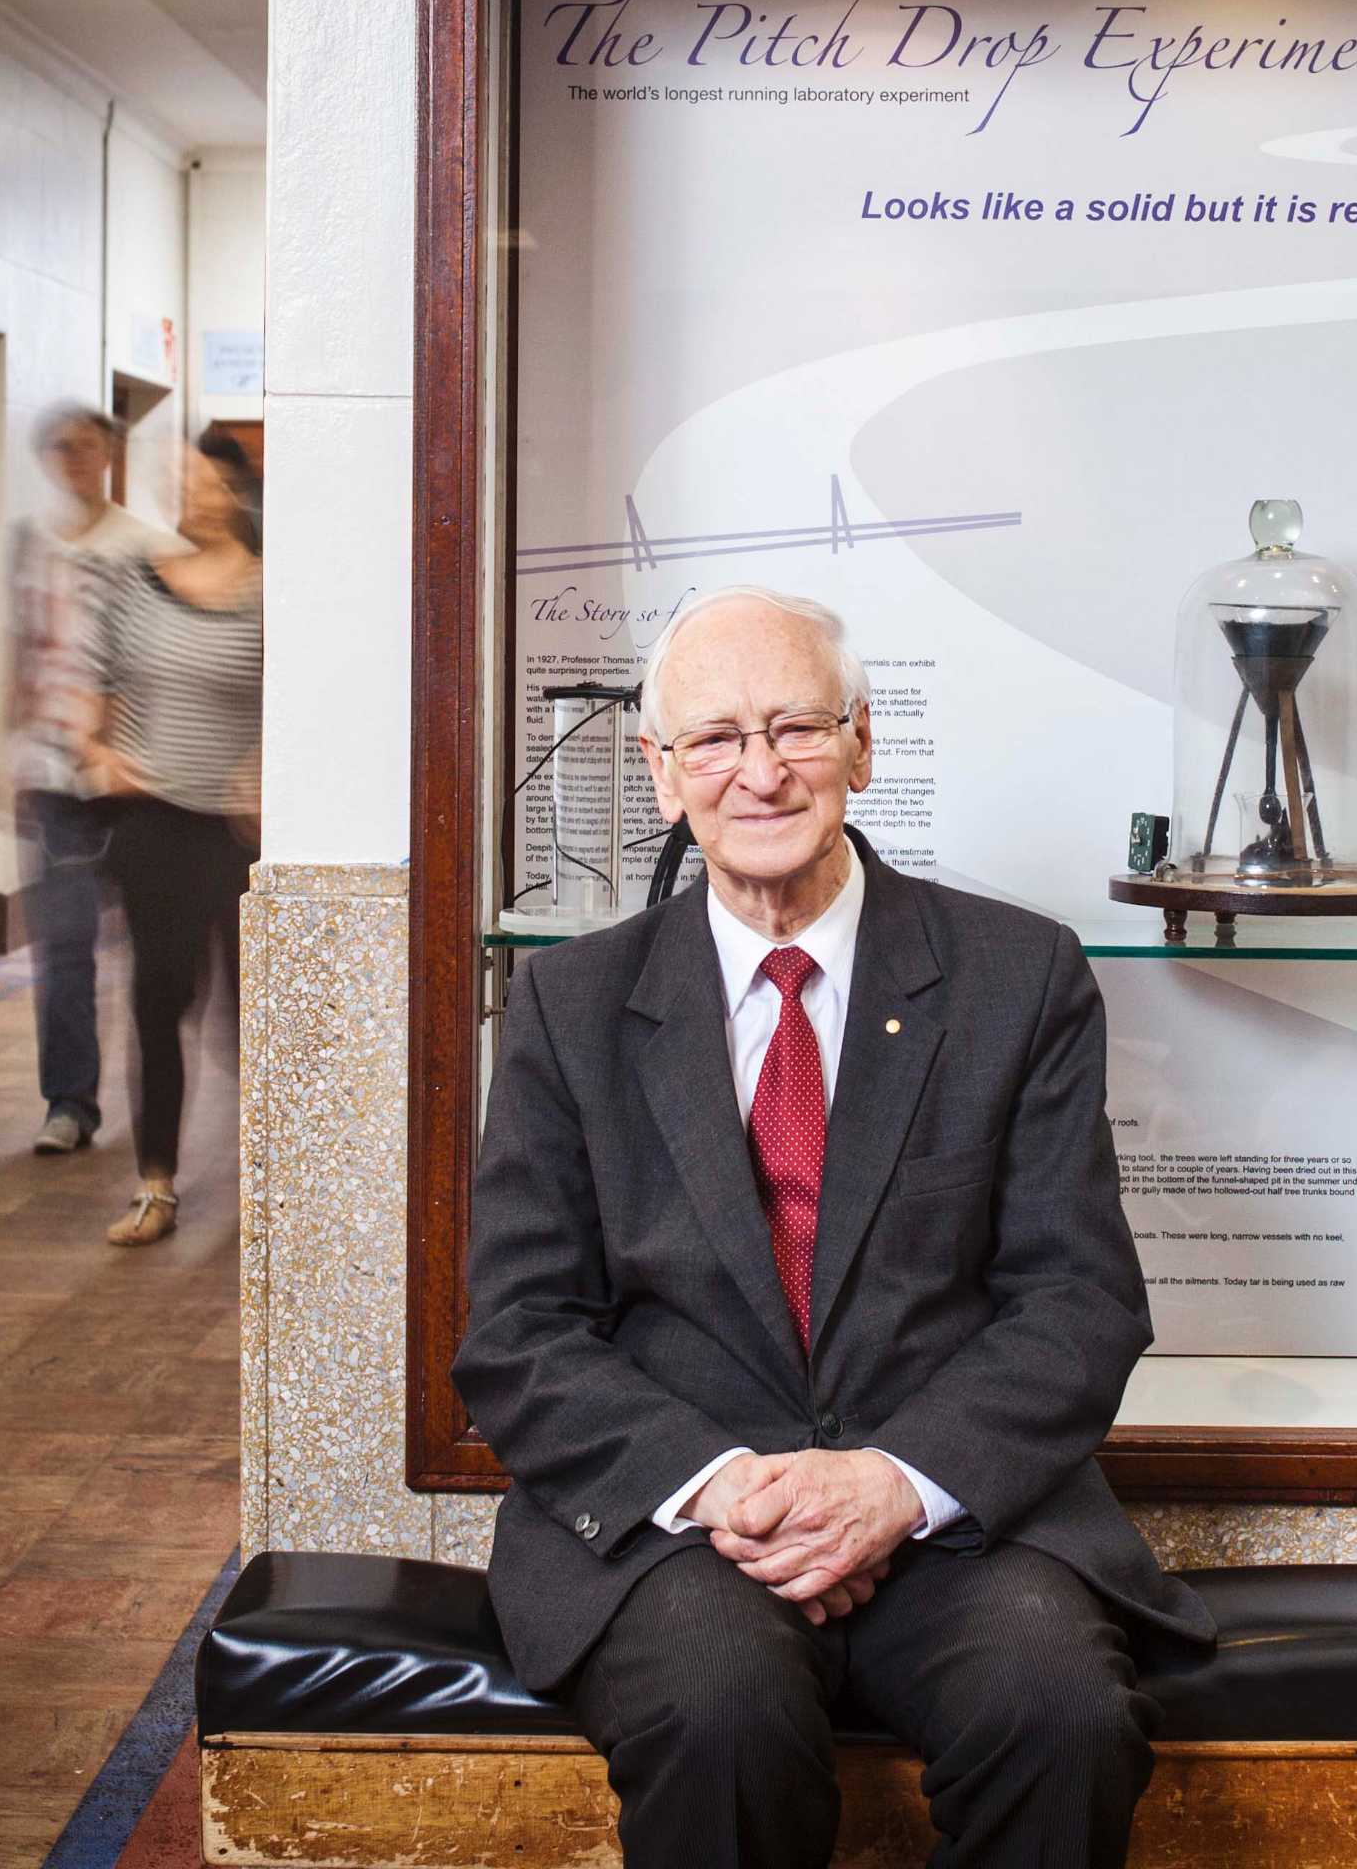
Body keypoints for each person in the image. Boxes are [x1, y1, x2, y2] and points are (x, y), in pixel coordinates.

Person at [454, 584, 1212, 1869]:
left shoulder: (1015, 978)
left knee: (1059, 1713)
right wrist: (730, 1487)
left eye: (796, 727)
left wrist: (890, 1487)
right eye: (714, 739)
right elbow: (521, 1329)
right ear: (661, 772)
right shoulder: (570, 1007)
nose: (759, 773)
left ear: (862, 742)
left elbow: (1077, 1300)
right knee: (721, 1713)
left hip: (954, 1522)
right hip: (681, 1526)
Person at [82, 427, 262, 1247]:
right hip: (152, 824)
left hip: (240, 836)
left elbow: (298, 698)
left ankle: (279, 1186)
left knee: (251, 1016)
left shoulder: (270, 589)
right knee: (159, 1005)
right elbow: (99, 680)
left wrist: (262, 765)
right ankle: (155, 1186)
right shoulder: (135, 581)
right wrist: (98, 750)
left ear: (235, 490)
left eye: (206, 481)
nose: (193, 495)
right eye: (181, 481)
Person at [5, 406, 184, 1158]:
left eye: (88, 446)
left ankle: (162, 1119)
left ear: (111, 454)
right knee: (65, 945)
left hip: (135, 779)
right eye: (61, 447)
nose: (75, 459)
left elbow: (167, 657)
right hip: (51, 774)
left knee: (153, 958)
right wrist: (3, 748)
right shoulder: (31, 544)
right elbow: (21, 650)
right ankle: (69, 1103)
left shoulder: (146, 547)